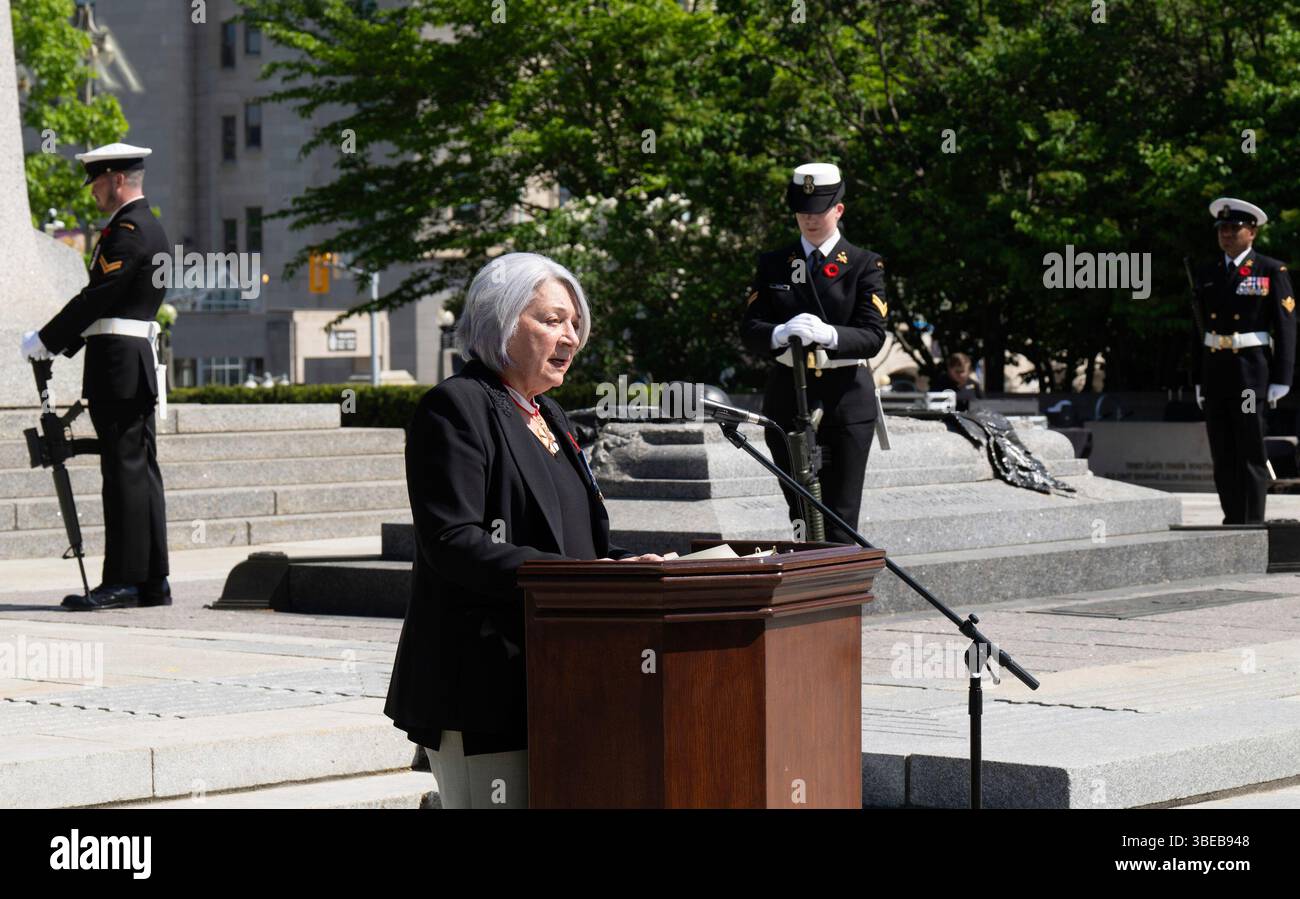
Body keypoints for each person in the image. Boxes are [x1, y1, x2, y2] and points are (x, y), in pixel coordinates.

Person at [384, 252, 662, 809]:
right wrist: (582, 581)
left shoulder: (548, 414)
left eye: (575, 324)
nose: (571, 337)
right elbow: (454, 542)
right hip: (484, 681)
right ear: (501, 321)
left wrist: (622, 567)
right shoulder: (456, 406)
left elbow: (576, 541)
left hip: (558, 674)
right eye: (552, 320)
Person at [20, 143, 171, 610]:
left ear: (117, 180)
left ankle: (123, 581)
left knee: (123, 474)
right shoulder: (149, 227)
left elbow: (99, 297)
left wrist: (46, 339)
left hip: (120, 368)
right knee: (140, 472)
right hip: (132, 362)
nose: (93, 193)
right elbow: (111, 305)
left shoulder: (128, 231)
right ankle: (151, 581)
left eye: (98, 183)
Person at [741, 162, 888, 544]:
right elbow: (750, 330)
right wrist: (779, 333)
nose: (809, 218)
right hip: (790, 396)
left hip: (844, 401)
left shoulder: (862, 264)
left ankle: (837, 600)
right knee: (800, 513)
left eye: (818, 210)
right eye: (802, 210)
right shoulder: (775, 263)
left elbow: (873, 335)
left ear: (838, 209)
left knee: (839, 518)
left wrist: (830, 335)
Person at [1194, 197, 1296, 524]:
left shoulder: (1269, 269)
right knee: (1222, 449)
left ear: (1251, 232)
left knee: (1249, 445)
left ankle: (1252, 520)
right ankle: (1232, 517)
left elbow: (1286, 325)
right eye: (1222, 229)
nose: (1226, 235)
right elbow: (1198, 331)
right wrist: (1197, 378)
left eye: (1234, 228)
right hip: (1216, 374)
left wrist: (1282, 377)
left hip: (1250, 377)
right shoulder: (1208, 272)